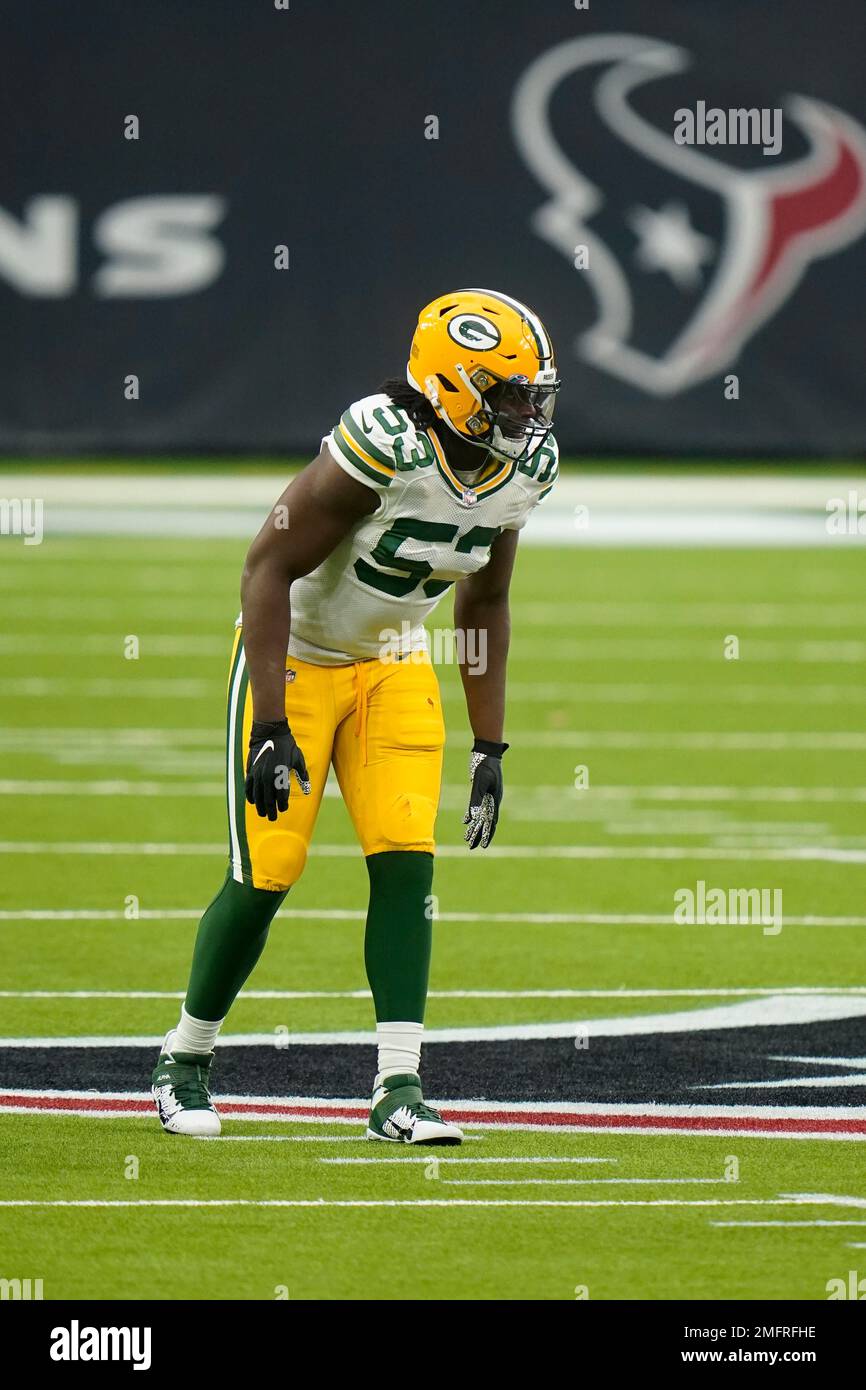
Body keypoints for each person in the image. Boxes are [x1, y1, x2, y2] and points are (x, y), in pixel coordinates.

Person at [151, 288, 560, 1144]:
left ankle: (397, 1089)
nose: (527, 413)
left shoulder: (523, 471)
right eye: (509, 393)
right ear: (452, 384)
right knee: (270, 869)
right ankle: (184, 1058)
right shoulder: (384, 441)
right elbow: (266, 568)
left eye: (533, 394)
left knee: (408, 864)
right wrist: (269, 723)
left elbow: (485, 600)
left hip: (394, 660)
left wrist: (491, 741)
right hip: (294, 658)